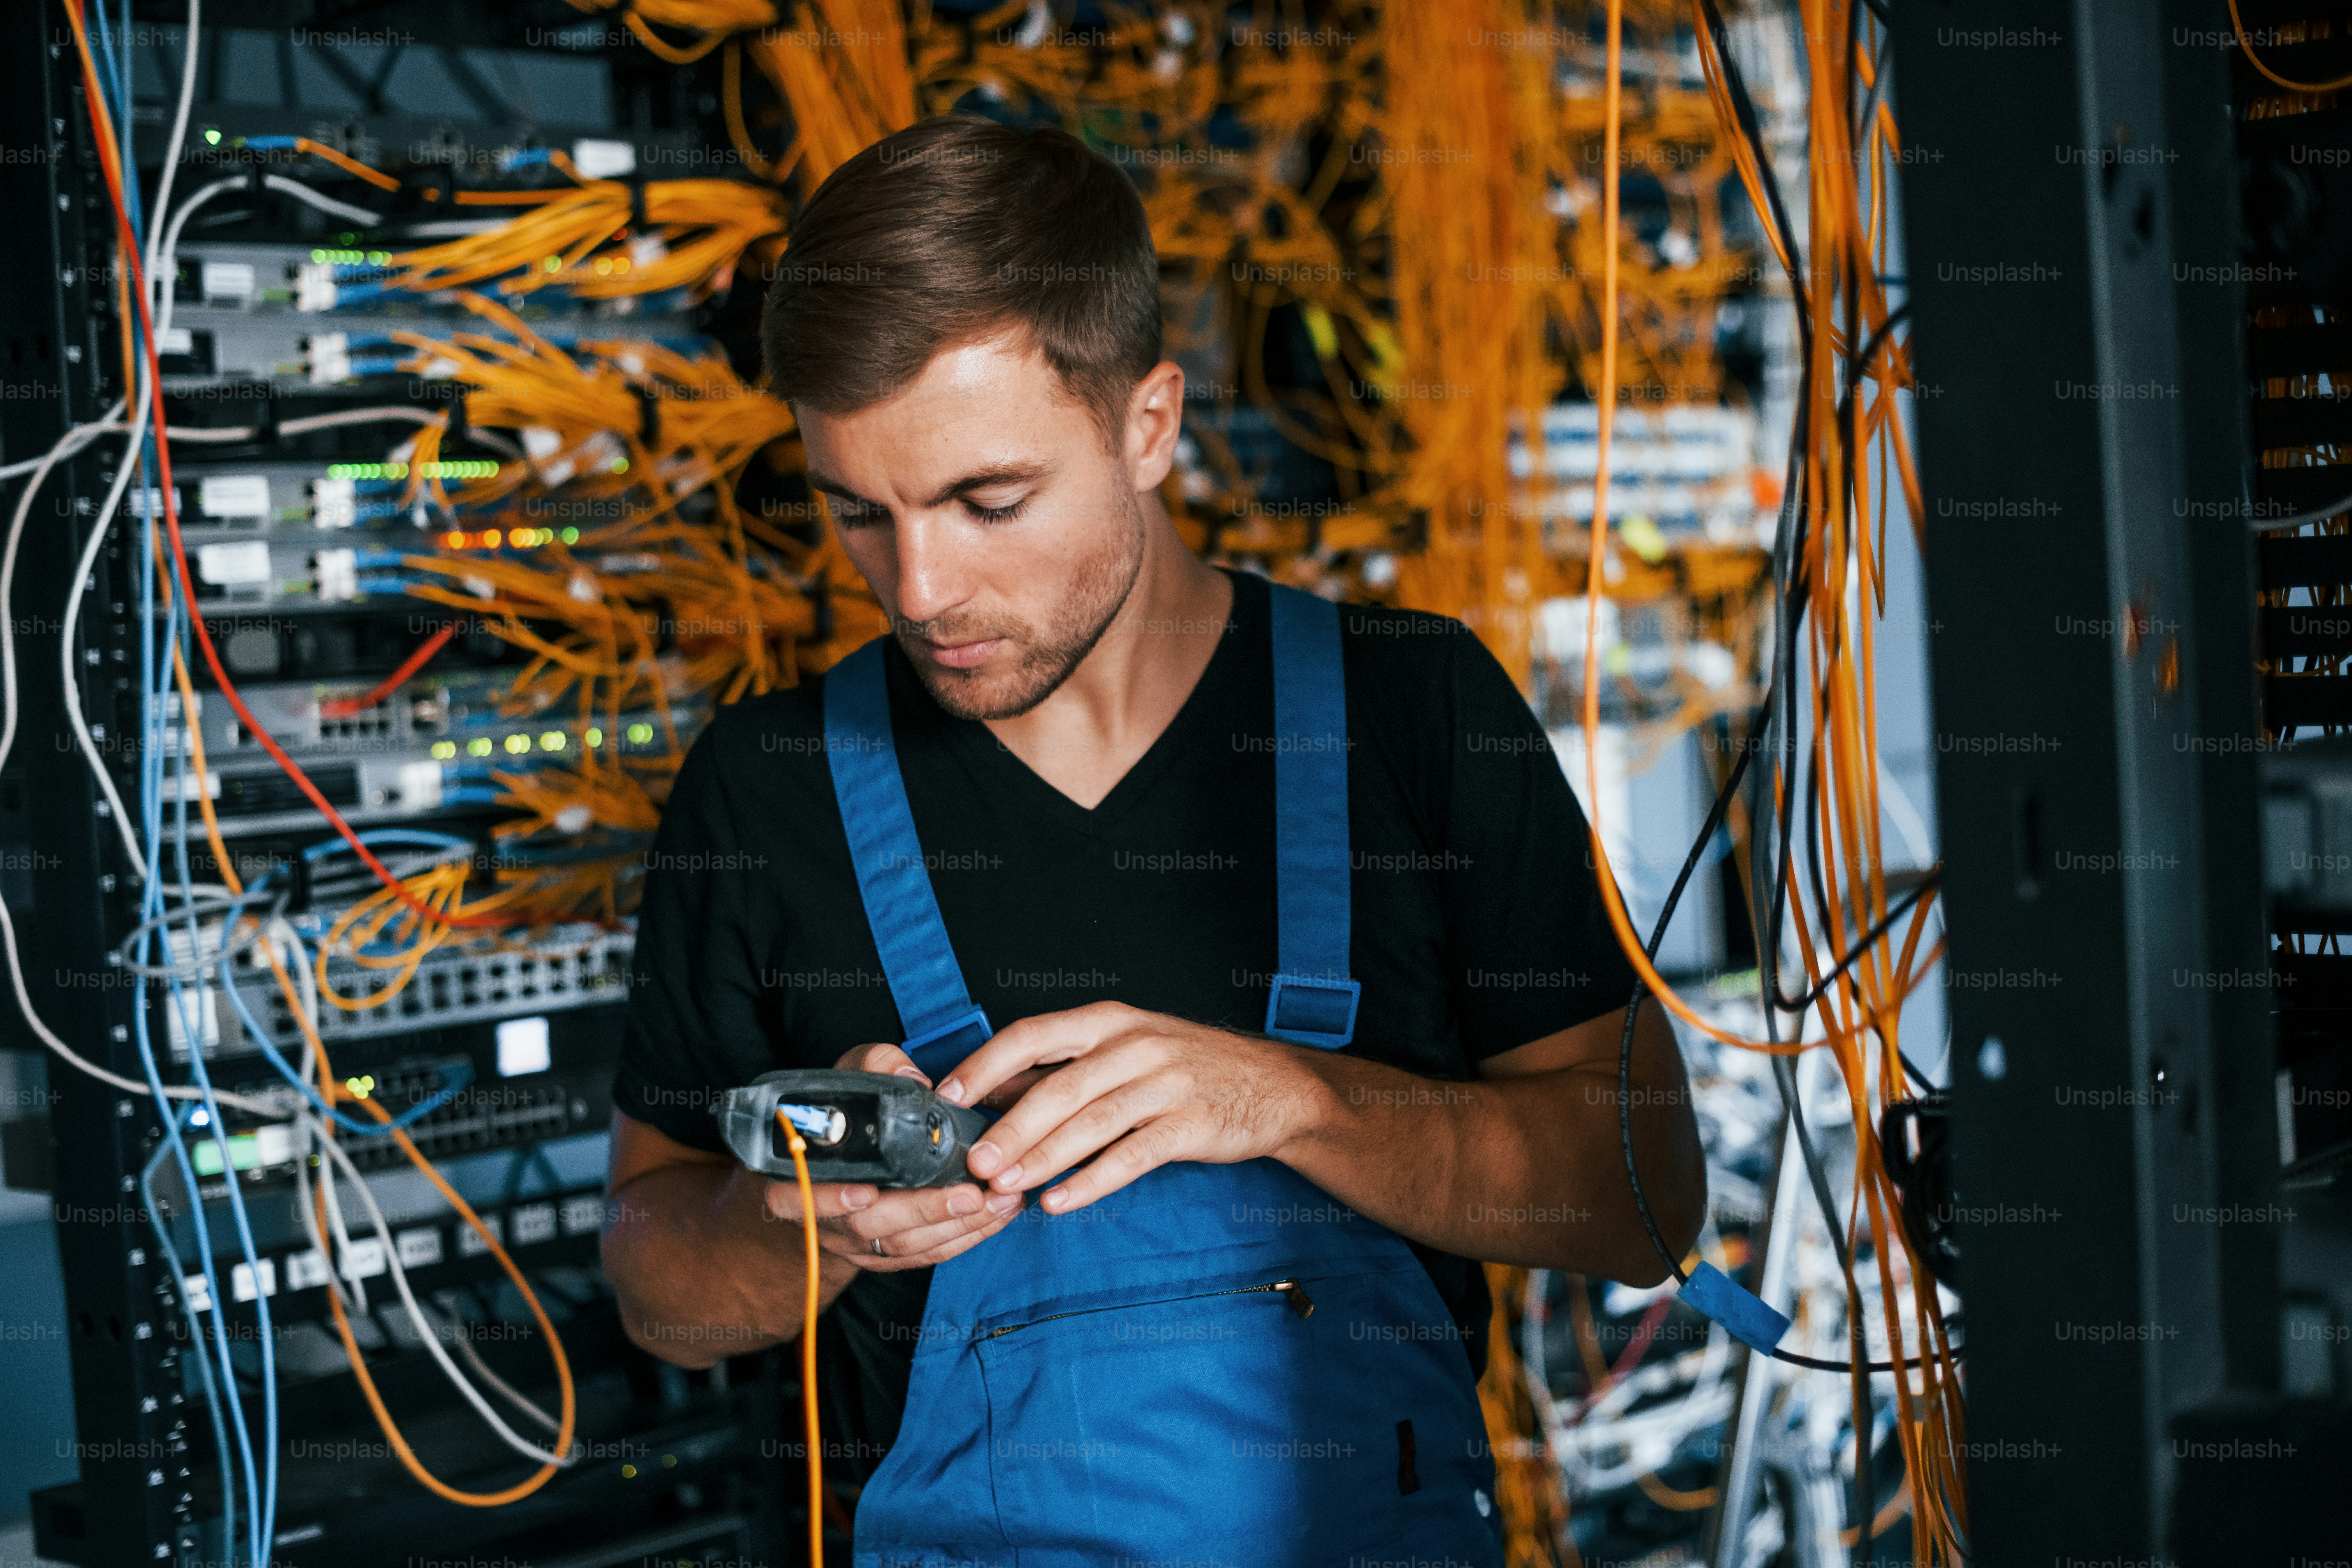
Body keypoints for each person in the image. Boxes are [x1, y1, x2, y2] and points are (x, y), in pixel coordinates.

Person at [601, 113, 1705, 1565]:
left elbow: (1644, 1193)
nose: (922, 586)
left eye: (988, 502)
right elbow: (654, 1280)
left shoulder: (1413, 709)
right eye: (858, 511)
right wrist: (797, 1229)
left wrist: (1298, 1103)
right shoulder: (767, 790)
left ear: (1150, 425)